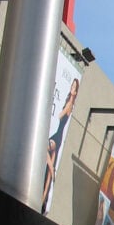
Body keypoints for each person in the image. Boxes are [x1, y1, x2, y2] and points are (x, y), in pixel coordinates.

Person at [42, 77, 80, 213]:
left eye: (75, 87)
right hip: (57, 135)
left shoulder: (70, 103)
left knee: (43, 148)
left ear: (76, 91)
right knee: (47, 175)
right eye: (72, 86)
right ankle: (43, 197)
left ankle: (52, 171)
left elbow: (59, 115)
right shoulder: (68, 101)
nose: (72, 88)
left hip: (57, 137)